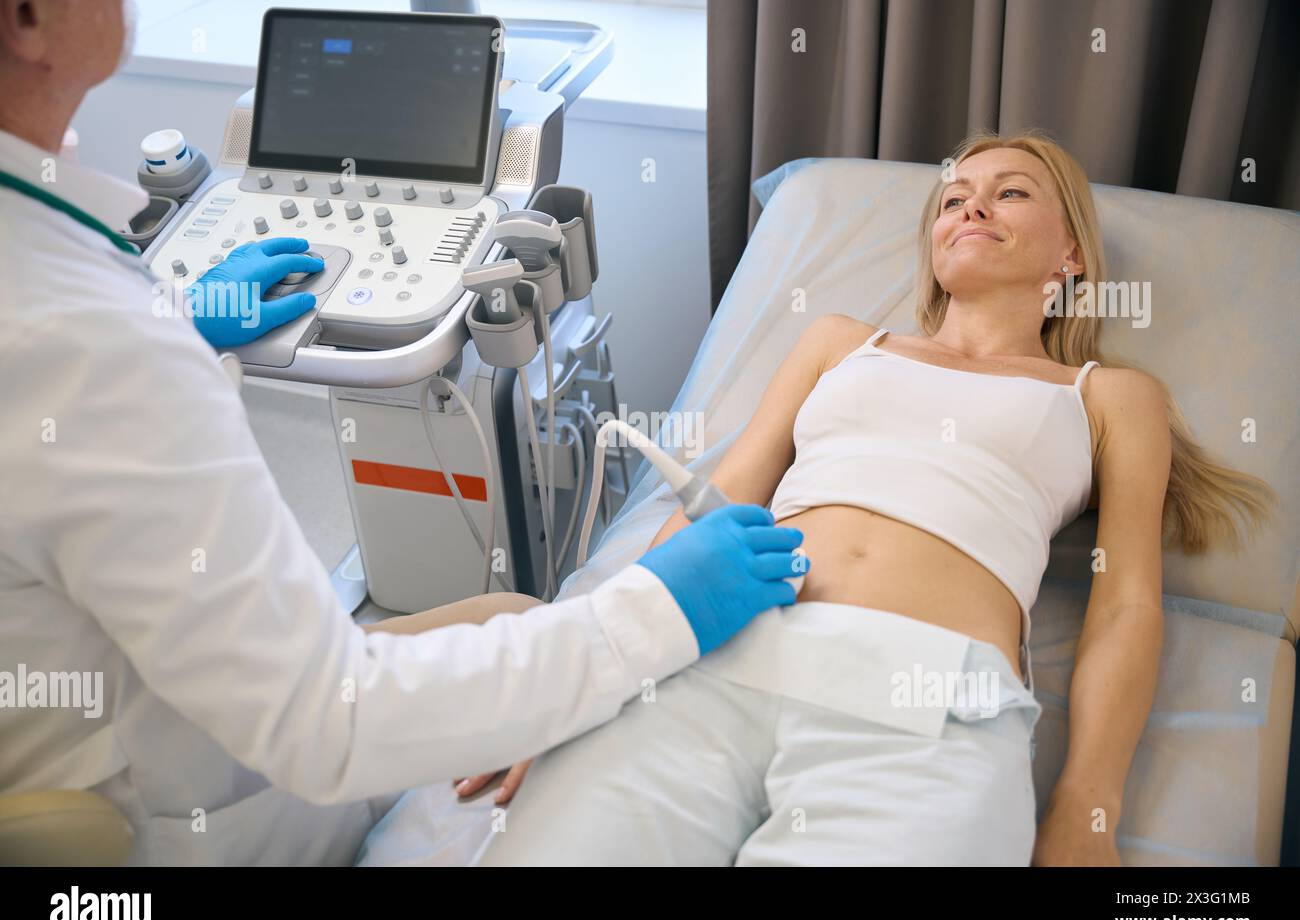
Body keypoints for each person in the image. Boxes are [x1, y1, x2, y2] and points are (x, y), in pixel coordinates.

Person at [0, 0, 806, 864]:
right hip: (145, 822)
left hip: (121, 706)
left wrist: (181, 331)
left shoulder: (66, 297)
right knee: (525, 649)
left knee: (507, 610)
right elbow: (326, 720)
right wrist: (653, 614)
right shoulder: (86, 340)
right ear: (28, 20)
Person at [468, 132, 1276, 866]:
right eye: (954, 199)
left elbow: (1126, 603)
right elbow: (712, 504)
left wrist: (1085, 808)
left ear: (1070, 250)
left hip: (924, 706)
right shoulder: (841, 343)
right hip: (711, 655)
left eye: (1012, 192)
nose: (973, 207)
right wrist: (587, 669)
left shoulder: (1110, 396)